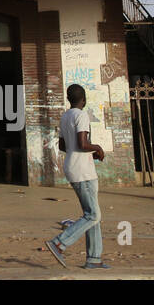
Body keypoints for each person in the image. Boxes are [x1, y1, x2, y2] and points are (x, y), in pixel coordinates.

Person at [45, 84, 109, 270]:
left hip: (73, 166)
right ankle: (59, 243)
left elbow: (64, 146)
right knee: (93, 214)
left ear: (68, 99)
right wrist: (97, 148)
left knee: (92, 214)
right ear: (84, 99)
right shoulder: (81, 115)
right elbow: (82, 143)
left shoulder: (65, 116)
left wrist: (89, 152)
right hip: (82, 171)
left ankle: (94, 258)